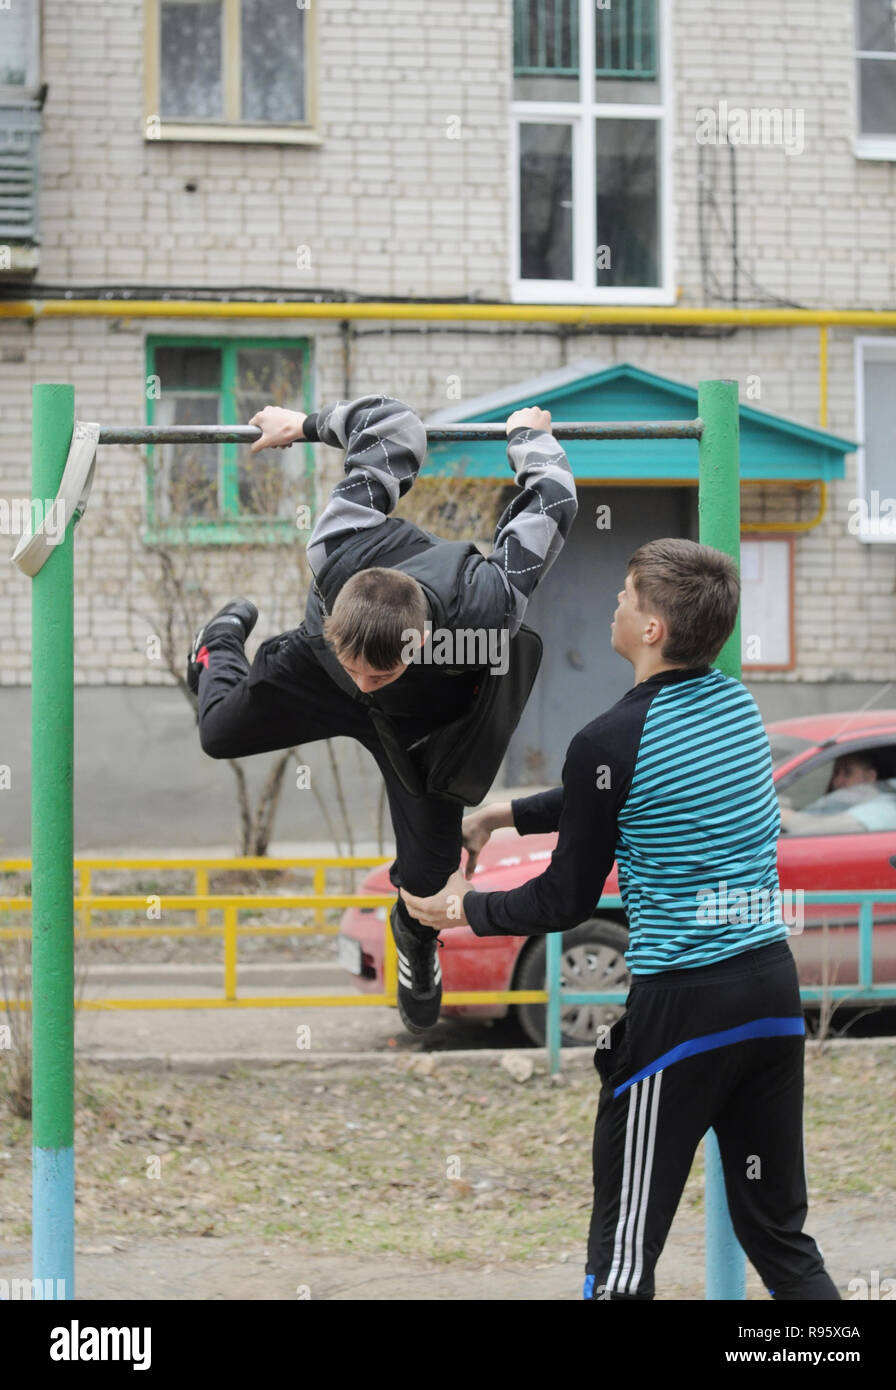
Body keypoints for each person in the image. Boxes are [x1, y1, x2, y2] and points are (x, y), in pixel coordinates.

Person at [403, 537, 839, 1300]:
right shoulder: (738, 708)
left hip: (681, 1016)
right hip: (770, 998)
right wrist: (506, 815)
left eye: (626, 593)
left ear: (652, 630)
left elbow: (564, 900)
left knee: (624, 1262)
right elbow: (620, 787)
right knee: (780, 1239)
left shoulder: (608, 738)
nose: (614, 601)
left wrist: (460, 910)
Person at [186, 393, 578, 1034]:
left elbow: (553, 500)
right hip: (317, 672)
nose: (366, 683)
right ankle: (219, 642)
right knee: (217, 731)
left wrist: (527, 438)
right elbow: (392, 424)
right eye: (359, 665)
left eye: (380, 672)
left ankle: (417, 947)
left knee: (428, 886)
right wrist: (305, 425)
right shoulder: (337, 540)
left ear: (422, 644)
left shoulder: (488, 602)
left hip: (420, 727)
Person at [779, 752, 896, 834]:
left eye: (847, 773)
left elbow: (814, 828)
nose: (838, 780)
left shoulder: (881, 810)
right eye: (836, 773)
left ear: (869, 777)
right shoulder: (846, 802)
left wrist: (778, 813)